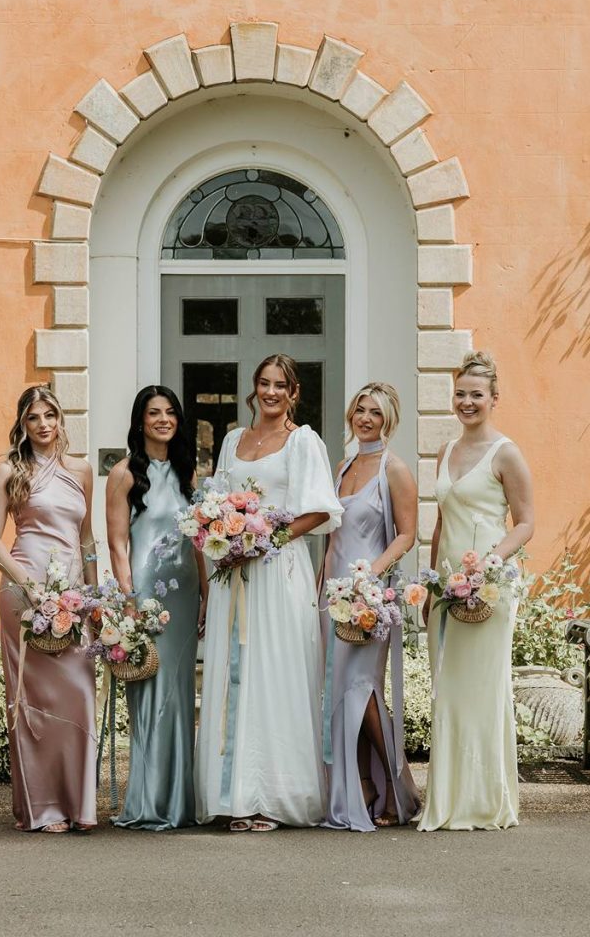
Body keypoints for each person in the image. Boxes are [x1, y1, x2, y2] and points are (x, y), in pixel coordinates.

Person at [195, 354, 343, 832]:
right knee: (234, 673)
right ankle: (234, 795)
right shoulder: (235, 439)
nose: (272, 392)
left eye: (281, 385)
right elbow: (216, 498)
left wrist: (263, 539)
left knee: (273, 674)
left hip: (278, 571)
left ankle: (274, 797)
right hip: (234, 574)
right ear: (254, 388)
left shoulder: (303, 442)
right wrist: (223, 532)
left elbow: (320, 511)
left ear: (294, 392)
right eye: (264, 383)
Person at [419, 352, 534, 831]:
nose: (467, 402)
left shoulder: (506, 452)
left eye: (476, 394)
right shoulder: (445, 452)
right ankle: (447, 800)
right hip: (449, 587)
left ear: (493, 399)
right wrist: (431, 585)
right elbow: (443, 522)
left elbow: (526, 523)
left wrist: (489, 566)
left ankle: (485, 801)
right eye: (461, 393)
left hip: (489, 587)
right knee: (450, 690)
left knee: (483, 690)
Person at [0, 385, 98, 833]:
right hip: (23, 590)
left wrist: (95, 597)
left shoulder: (82, 470)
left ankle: (79, 805)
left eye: (51, 415)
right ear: (23, 424)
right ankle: (46, 807)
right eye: (35, 418)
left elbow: (87, 540)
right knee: (35, 701)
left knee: (80, 693)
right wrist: (29, 586)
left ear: (61, 419)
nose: (44, 424)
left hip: (73, 592)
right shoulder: (8, 469)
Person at [106, 385, 208, 830]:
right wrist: (128, 602)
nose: (163, 419)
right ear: (140, 420)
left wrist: (205, 592)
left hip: (184, 594)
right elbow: (116, 541)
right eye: (154, 413)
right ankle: (148, 800)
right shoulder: (125, 473)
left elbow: (200, 541)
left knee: (180, 693)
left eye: (170, 412)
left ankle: (178, 803)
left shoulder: (189, 474)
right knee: (149, 691)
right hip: (146, 593)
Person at [320, 383, 421, 830]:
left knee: (363, 689)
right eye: (359, 409)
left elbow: (405, 535)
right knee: (342, 692)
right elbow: (331, 534)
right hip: (333, 597)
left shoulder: (393, 469)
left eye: (374, 412)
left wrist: (369, 578)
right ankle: (362, 786)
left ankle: (399, 791)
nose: (365, 418)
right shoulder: (342, 467)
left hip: (369, 595)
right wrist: (322, 587)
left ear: (388, 420)